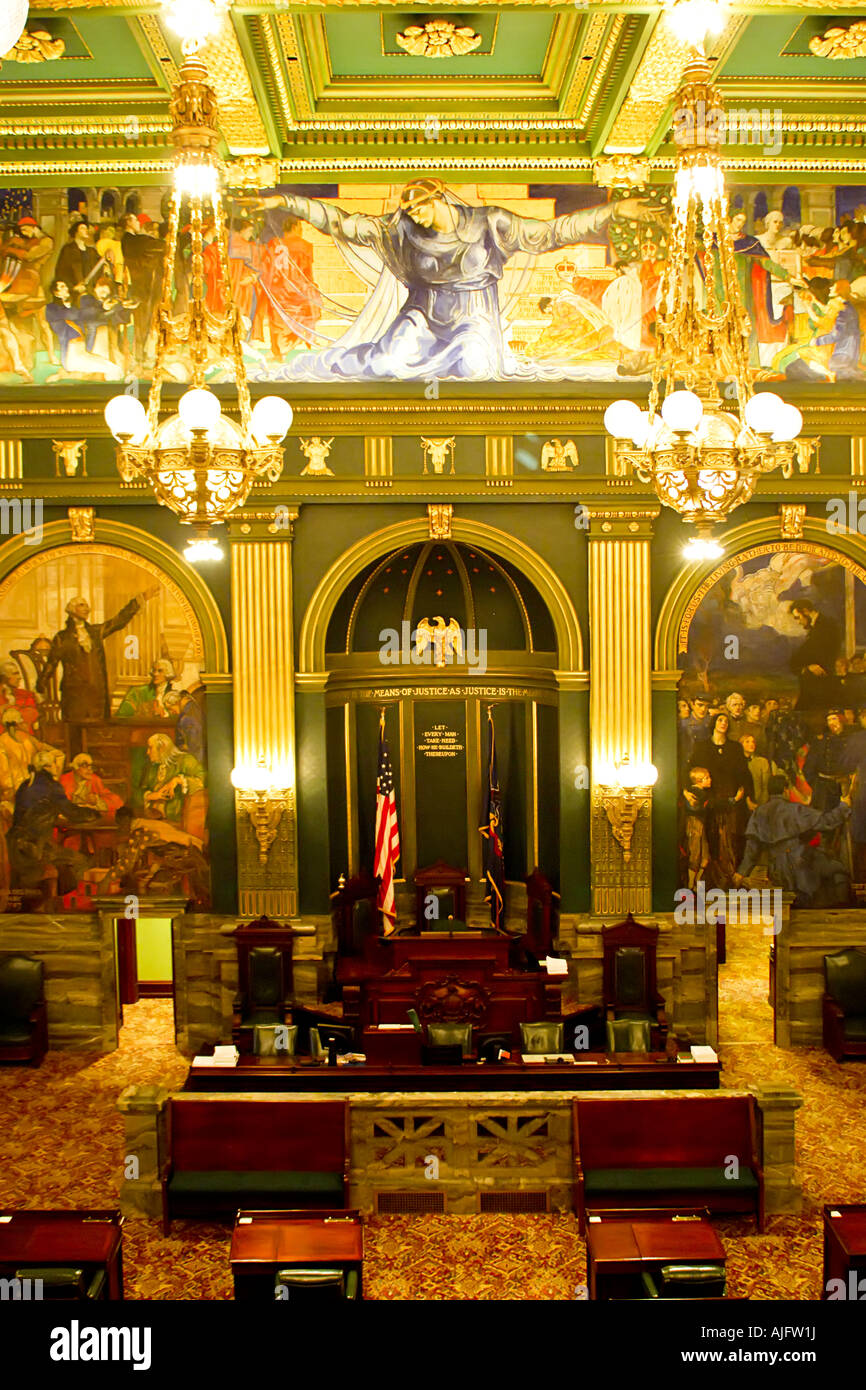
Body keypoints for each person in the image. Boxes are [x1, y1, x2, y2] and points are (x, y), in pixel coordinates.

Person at [250, 179, 655, 380]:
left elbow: (551, 235)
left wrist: (613, 213)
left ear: (439, 198)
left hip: (473, 319)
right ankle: (329, 363)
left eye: (422, 210)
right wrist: (287, 201)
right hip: (421, 314)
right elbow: (342, 223)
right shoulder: (400, 230)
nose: (417, 219)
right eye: (411, 215)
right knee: (388, 362)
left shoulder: (490, 223)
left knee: (476, 370)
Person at [37, 589, 160, 723]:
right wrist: (41, 685)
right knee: (75, 732)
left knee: (97, 732)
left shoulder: (96, 632)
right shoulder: (62, 637)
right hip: (74, 695)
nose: (86, 609)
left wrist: (139, 599)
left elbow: (119, 621)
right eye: (81, 605)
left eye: (87, 606)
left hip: (97, 694)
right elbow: (51, 663)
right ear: (72, 610)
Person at [735, 773, 851, 908]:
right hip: (800, 864)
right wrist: (844, 806)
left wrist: (741, 873)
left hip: (777, 871)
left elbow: (751, 851)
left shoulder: (759, 813)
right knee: (838, 869)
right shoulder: (795, 809)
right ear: (785, 790)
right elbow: (826, 822)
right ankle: (842, 911)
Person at [691, 712, 753, 882]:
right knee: (712, 838)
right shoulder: (701, 747)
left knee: (731, 838)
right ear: (714, 724)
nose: (723, 723)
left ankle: (731, 876)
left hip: (732, 799)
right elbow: (692, 772)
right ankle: (713, 879)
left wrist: (745, 796)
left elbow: (744, 774)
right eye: (720, 720)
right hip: (709, 799)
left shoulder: (735, 748)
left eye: (726, 721)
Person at [251, 216, 322, 359]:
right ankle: (291, 346)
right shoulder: (305, 245)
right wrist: (310, 286)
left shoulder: (274, 243)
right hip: (298, 288)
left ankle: (277, 351)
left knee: (277, 318)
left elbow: (266, 266)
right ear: (295, 227)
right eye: (300, 228)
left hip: (278, 288)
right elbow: (307, 271)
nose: (301, 231)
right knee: (301, 314)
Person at [789, 598, 841, 710]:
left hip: (823, 686)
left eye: (798, 618)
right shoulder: (816, 628)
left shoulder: (826, 626)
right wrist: (807, 666)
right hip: (814, 686)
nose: (798, 622)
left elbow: (824, 655)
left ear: (806, 611)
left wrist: (807, 666)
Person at [59, 752, 123, 818]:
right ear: (75, 767)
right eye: (84, 765)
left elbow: (116, 801)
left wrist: (97, 800)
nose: (89, 769)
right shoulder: (64, 780)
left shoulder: (94, 779)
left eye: (91, 766)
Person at [0, 659, 40, 732]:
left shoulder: (23, 694)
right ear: (4, 677)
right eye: (15, 673)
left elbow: (33, 712)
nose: (19, 677)